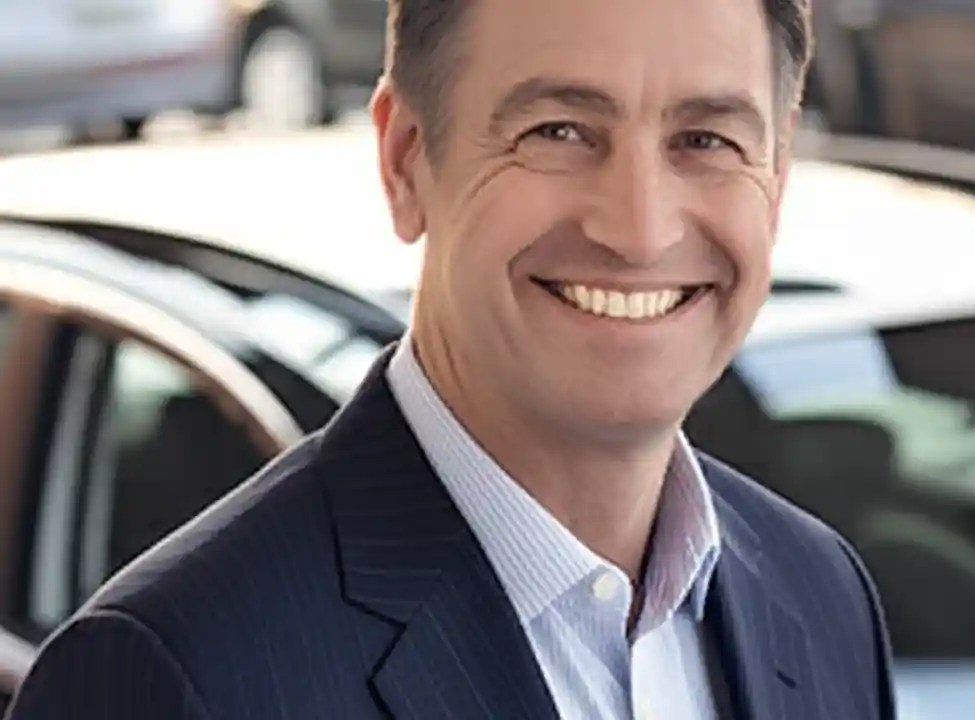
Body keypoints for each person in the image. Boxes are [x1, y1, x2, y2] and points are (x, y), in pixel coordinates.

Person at [6, 0, 895, 717]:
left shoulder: (820, 595)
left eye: (706, 141)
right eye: (557, 131)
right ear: (403, 162)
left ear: (775, 182)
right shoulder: (173, 672)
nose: (638, 230)